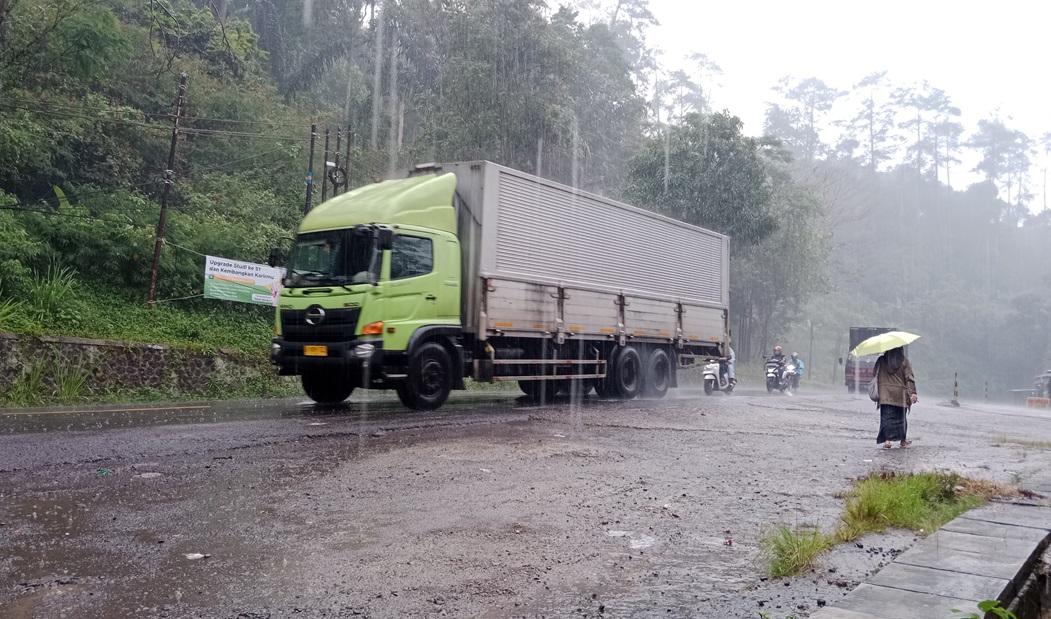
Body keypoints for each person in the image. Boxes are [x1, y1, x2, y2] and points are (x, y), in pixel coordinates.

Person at [874, 347, 918, 449]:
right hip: (900, 395)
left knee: (886, 418)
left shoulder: (881, 360)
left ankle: (887, 441)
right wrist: (913, 393)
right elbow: (909, 378)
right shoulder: (904, 361)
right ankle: (903, 442)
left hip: (885, 394)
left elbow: (874, 373)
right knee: (901, 419)